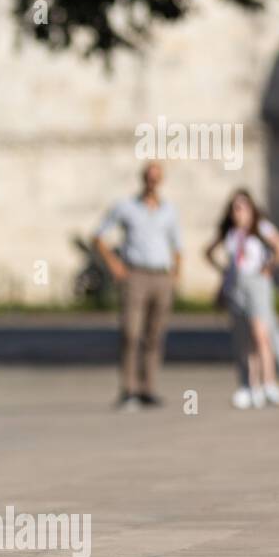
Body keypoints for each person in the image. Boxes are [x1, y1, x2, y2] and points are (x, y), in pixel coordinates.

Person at [93, 162, 182, 411]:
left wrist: (176, 275)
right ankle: (129, 388)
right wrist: (115, 265)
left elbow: (178, 245)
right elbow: (98, 236)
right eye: (149, 177)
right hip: (136, 275)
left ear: (161, 181)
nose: (152, 182)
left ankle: (148, 388)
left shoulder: (169, 210)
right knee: (131, 332)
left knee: (155, 334)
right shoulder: (126, 207)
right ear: (142, 179)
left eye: (157, 178)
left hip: (161, 275)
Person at [205, 190, 279, 409]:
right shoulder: (229, 232)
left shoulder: (261, 228)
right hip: (236, 285)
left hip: (257, 283)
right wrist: (224, 272)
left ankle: (269, 382)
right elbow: (208, 252)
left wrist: (269, 267)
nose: (238, 213)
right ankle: (248, 385)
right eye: (234, 208)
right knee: (243, 338)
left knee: (260, 335)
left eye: (242, 207)